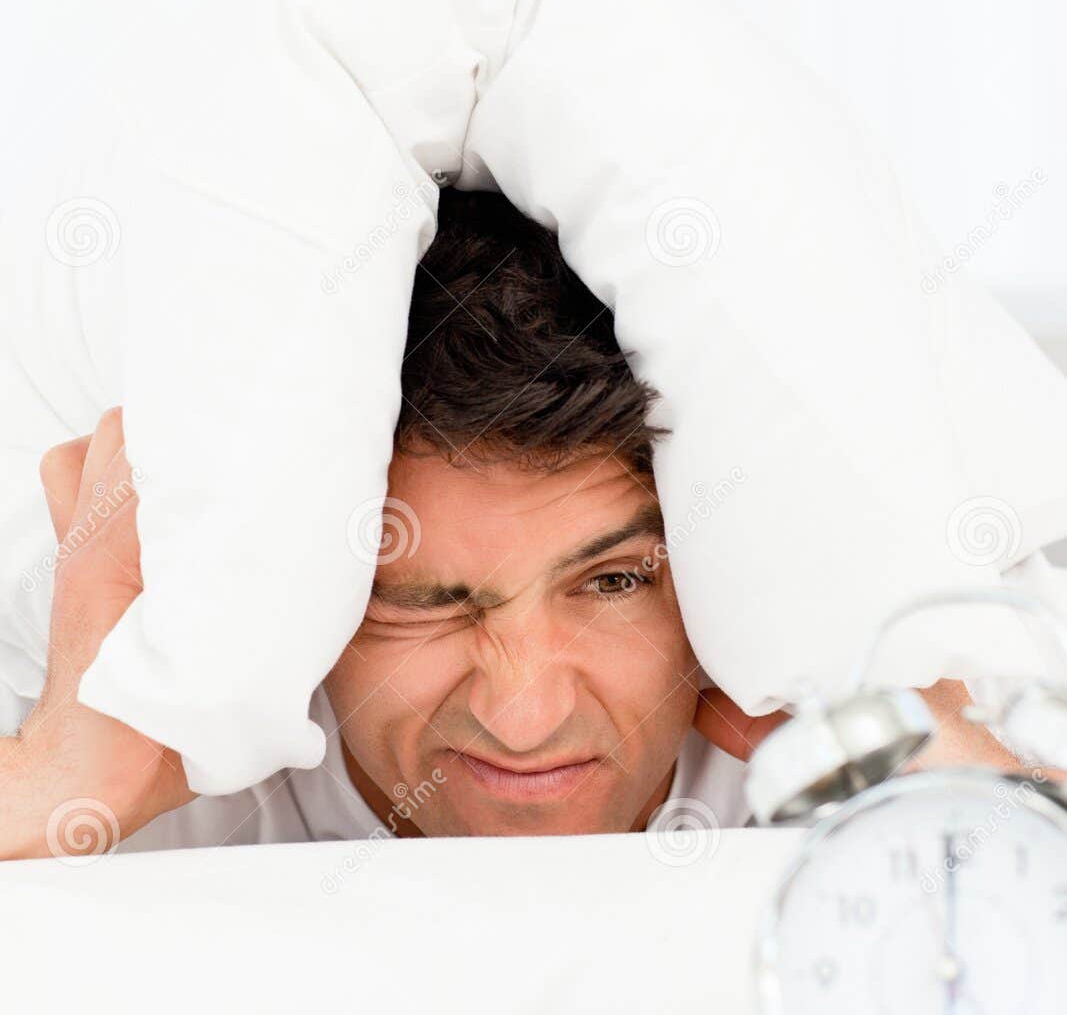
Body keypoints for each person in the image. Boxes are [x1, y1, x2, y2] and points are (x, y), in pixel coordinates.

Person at [0, 193, 1012, 859]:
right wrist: (54, 784)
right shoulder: (141, 712)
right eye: (417, 601)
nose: (523, 715)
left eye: (612, 580)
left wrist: (978, 797)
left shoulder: (893, 696)